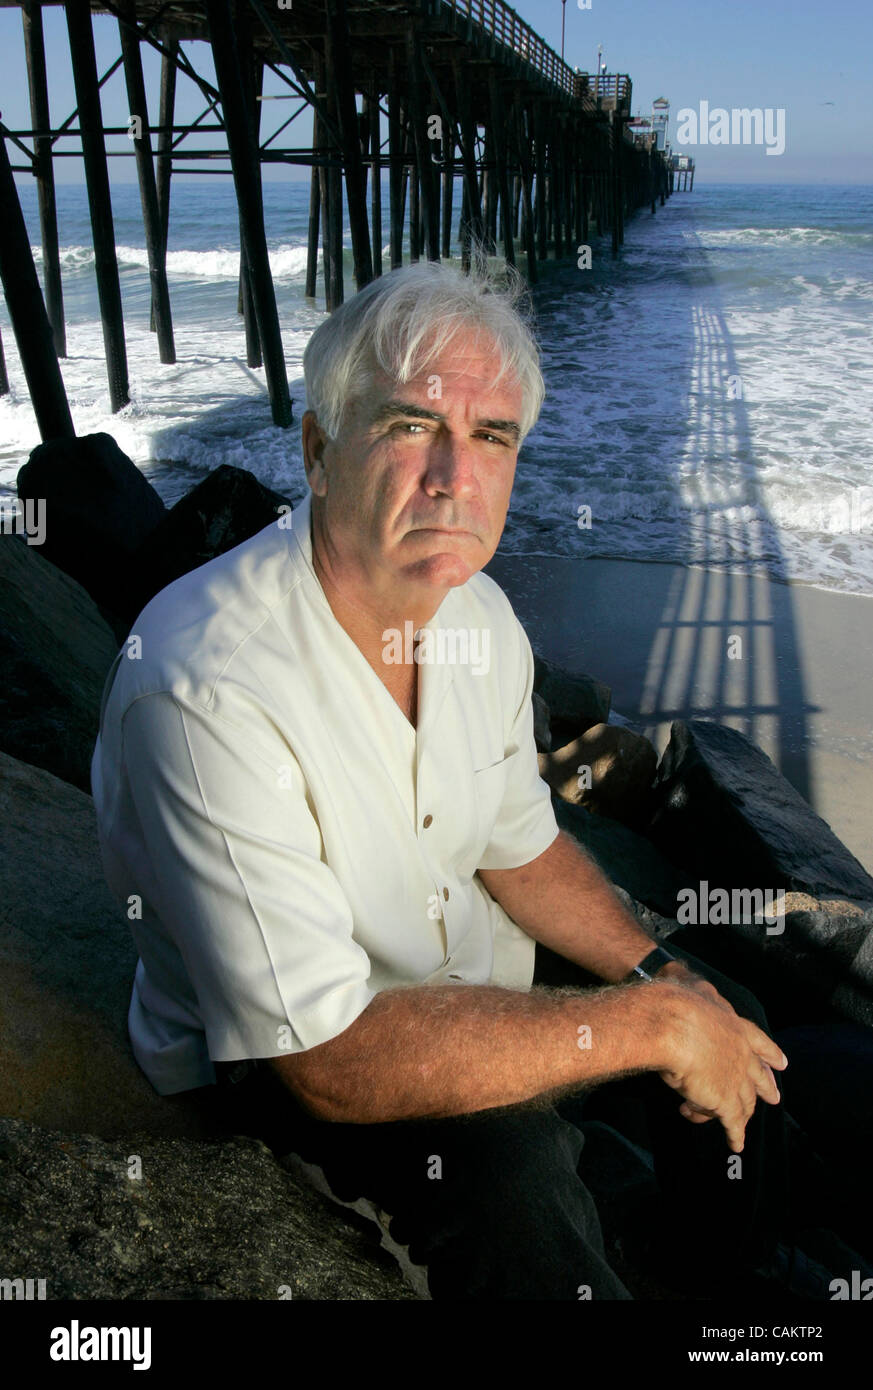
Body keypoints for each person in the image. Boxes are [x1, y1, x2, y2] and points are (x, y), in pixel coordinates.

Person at [92, 258, 795, 1301]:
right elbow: (324, 1055)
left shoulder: (478, 620)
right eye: (412, 425)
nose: (453, 478)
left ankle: (707, 1285)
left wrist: (662, 982)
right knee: (504, 1166)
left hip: (457, 979)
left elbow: (525, 846)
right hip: (281, 1059)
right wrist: (646, 1028)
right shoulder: (204, 682)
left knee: (724, 1011)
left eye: (493, 438)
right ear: (320, 451)